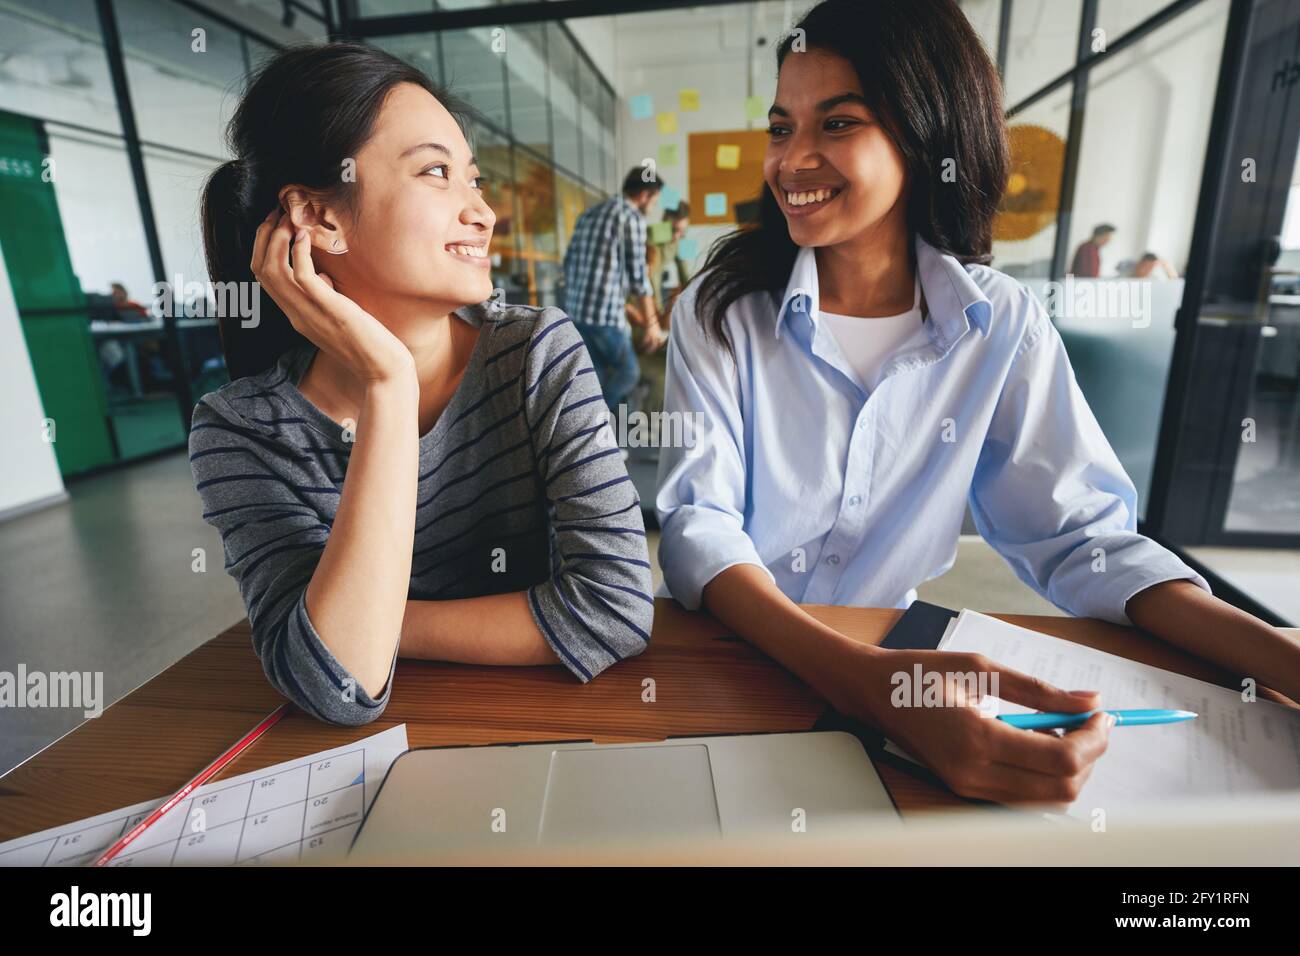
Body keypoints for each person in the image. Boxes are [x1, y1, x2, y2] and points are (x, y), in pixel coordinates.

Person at [656, 0, 1300, 809]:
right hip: (736, 657)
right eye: (782, 128)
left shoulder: (1000, 322)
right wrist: (866, 684)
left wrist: (1277, 656)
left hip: (899, 661)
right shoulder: (720, 311)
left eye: (838, 124)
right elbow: (697, 529)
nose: (793, 160)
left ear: (926, 138)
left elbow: (1081, 537)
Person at [190, 44, 652, 726]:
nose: (482, 214)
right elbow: (335, 690)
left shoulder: (534, 353)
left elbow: (615, 609)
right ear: (319, 218)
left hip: (544, 727)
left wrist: (377, 626)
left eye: (474, 179)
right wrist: (390, 382)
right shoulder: (243, 429)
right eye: (437, 172)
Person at [562, 169, 667, 413]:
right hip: (604, 318)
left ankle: (589, 433)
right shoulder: (630, 218)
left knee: (593, 380)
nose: (653, 207)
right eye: (654, 200)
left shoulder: (589, 214)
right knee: (629, 373)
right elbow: (640, 279)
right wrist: (652, 324)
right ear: (644, 195)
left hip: (577, 314)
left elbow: (568, 264)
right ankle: (600, 424)